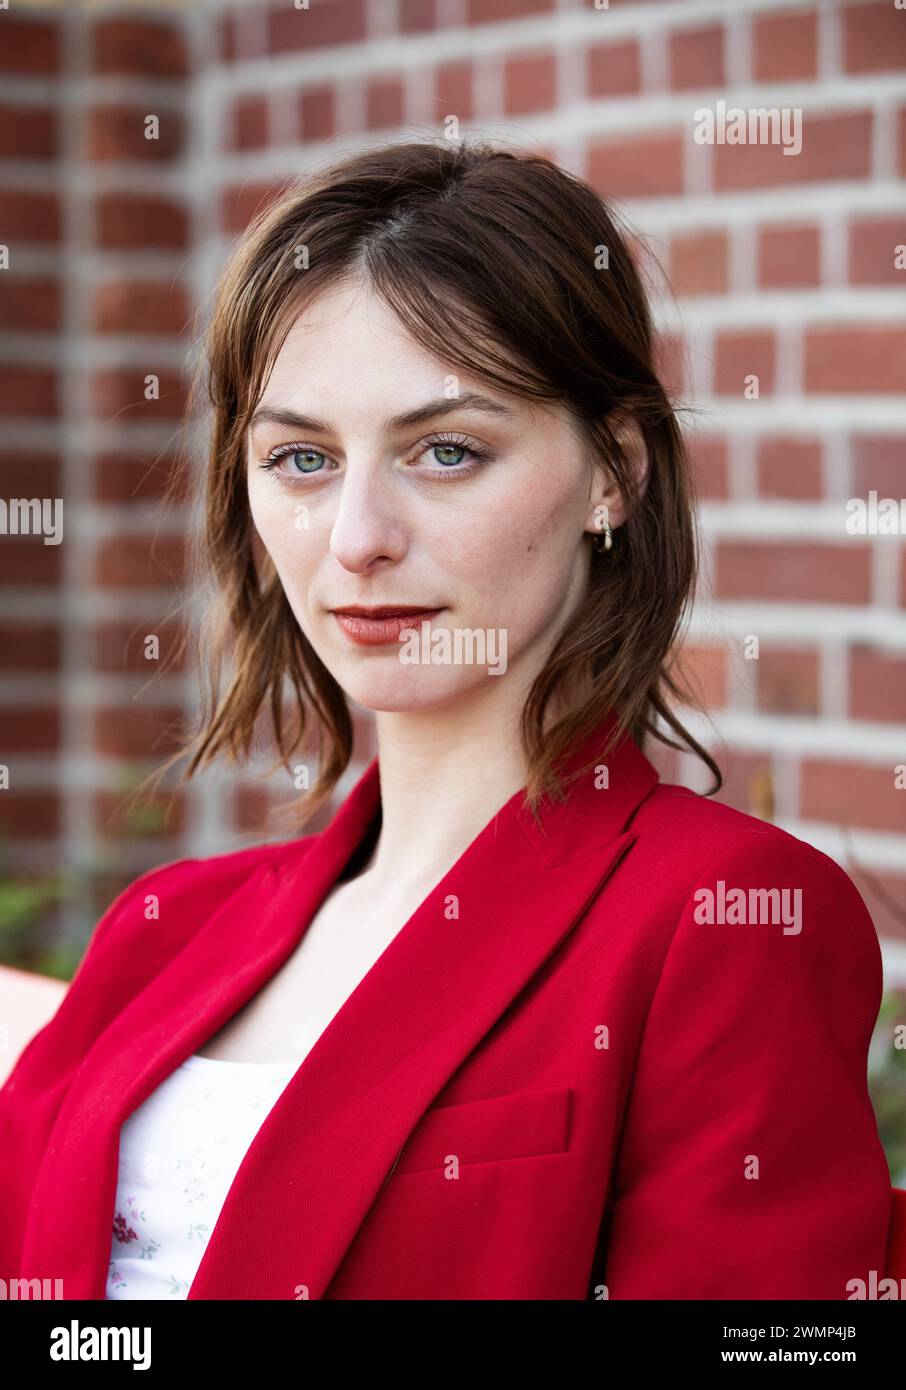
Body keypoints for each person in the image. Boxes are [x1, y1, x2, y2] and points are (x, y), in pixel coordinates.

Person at [0, 139, 891, 1301]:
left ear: (612, 472)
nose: (357, 536)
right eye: (303, 457)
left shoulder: (717, 923)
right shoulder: (165, 930)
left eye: (446, 450)